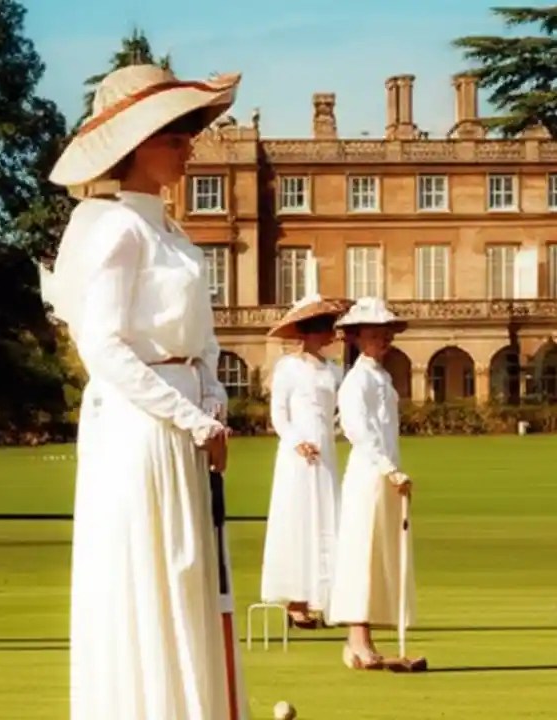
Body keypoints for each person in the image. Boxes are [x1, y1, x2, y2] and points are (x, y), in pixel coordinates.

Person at [43, 63, 246, 719]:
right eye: (176, 134)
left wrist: (213, 397)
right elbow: (103, 346)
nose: (190, 145)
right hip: (138, 429)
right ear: (135, 143)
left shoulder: (171, 230)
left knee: (188, 578)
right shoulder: (110, 227)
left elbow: (203, 338)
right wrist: (190, 418)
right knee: (149, 580)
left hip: (184, 423)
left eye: (189, 131)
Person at [327, 297, 414, 670]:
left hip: (388, 473)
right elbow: (358, 430)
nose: (383, 339)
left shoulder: (383, 376)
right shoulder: (355, 381)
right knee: (360, 553)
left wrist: (394, 469)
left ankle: (362, 641)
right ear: (357, 338)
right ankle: (356, 639)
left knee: (380, 554)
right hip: (368, 473)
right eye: (375, 333)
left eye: (386, 333)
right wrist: (385, 467)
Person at [260, 294, 353, 628]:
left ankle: (323, 598)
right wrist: (297, 442)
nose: (330, 335)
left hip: (326, 452)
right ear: (309, 333)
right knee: (298, 519)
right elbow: (279, 413)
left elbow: (341, 411)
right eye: (325, 329)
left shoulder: (334, 370)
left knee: (326, 518)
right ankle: (296, 601)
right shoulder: (288, 367)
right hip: (296, 455)